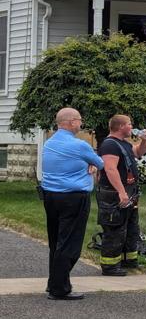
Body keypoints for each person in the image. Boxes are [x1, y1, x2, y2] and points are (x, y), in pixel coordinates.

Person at [38, 107, 105, 300]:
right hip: (73, 197)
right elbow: (100, 163)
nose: (81, 123)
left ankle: (53, 283)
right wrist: (91, 166)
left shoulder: (49, 143)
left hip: (50, 196)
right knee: (69, 244)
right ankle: (59, 288)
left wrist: (87, 164)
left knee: (56, 241)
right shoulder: (80, 145)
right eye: (80, 120)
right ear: (72, 122)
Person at [94, 115, 146, 276]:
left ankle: (129, 261)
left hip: (130, 192)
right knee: (115, 229)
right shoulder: (109, 145)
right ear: (120, 127)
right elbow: (110, 169)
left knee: (131, 229)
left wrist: (145, 141)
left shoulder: (124, 143)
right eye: (129, 124)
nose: (132, 127)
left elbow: (138, 152)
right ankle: (110, 266)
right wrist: (121, 192)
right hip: (113, 195)